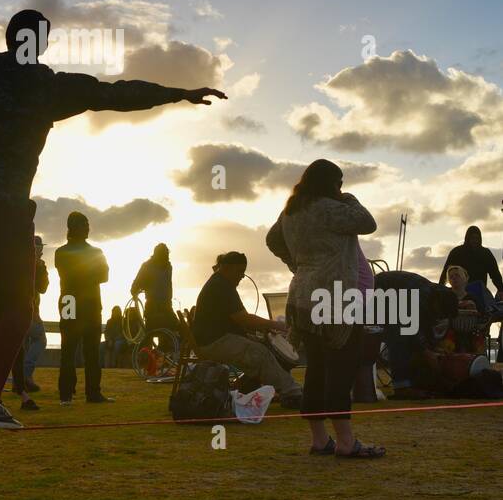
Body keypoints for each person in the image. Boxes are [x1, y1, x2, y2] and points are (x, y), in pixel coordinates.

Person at [0, 0, 227, 429]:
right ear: (42, 44)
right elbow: (117, 94)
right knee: (19, 308)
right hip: (4, 207)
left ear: (9, 37)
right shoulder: (50, 86)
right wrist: (180, 94)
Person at [267, 159, 384, 458]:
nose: (342, 188)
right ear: (329, 183)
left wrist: (296, 263)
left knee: (317, 369)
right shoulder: (332, 208)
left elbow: (272, 239)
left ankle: (320, 440)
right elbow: (368, 221)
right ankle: (346, 442)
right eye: (339, 182)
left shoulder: (292, 211)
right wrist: (348, 198)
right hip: (335, 299)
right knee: (341, 370)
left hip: (303, 298)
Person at [191, 252, 303, 408]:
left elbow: (237, 320)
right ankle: (293, 393)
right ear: (228, 268)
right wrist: (275, 325)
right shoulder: (221, 286)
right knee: (261, 353)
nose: (241, 277)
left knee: (259, 350)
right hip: (214, 343)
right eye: (240, 272)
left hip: (214, 339)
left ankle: (258, 389)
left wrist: (262, 329)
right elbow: (244, 319)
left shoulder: (220, 283)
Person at [373, 269, 459, 398]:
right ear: (437, 304)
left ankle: (418, 380)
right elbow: (408, 326)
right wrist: (427, 352)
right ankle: (402, 387)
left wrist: (435, 349)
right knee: (399, 334)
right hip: (372, 297)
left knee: (416, 338)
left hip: (392, 302)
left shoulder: (436, 296)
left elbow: (426, 327)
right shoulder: (419, 296)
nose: (438, 316)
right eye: (439, 313)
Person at [54, 213, 111, 404]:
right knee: (69, 349)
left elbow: (104, 275)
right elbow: (98, 274)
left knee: (91, 351)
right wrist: (89, 273)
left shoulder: (91, 251)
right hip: (72, 302)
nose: (88, 228)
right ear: (73, 227)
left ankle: (92, 393)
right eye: (83, 224)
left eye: (88, 224)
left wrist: (80, 273)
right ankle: (67, 393)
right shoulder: (63, 252)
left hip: (86, 303)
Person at [9, 236, 49, 410]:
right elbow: (42, 288)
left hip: (14, 310)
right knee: (40, 339)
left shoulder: (17, 261)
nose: (41, 251)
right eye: (40, 248)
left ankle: (20, 382)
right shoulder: (37, 265)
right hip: (29, 311)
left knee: (21, 346)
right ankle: (26, 375)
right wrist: (41, 268)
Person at [131, 244, 178, 351]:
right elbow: (135, 286)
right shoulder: (148, 266)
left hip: (165, 305)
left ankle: (160, 358)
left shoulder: (168, 267)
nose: (166, 256)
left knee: (165, 334)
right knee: (152, 334)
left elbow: (136, 286)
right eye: (164, 254)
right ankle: (149, 361)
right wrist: (138, 289)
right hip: (154, 305)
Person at [439, 226, 503, 296]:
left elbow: (494, 273)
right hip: (459, 291)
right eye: (472, 238)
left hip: (479, 292)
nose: (475, 241)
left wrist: (500, 289)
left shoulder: (485, 253)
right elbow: (445, 273)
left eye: (477, 238)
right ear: (467, 238)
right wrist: (440, 289)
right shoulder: (457, 252)